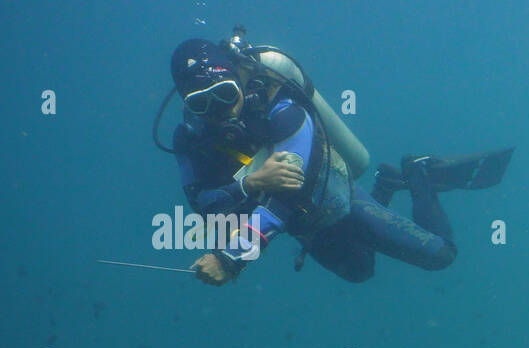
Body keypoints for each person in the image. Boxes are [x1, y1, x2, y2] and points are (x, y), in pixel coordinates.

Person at [163, 34, 511, 285]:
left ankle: (418, 173)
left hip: (333, 195)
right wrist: (251, 183)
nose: (219, 113)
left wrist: (231, 258)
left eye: (225, 95)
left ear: (239, 81)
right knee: (361, 272)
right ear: (187, 105)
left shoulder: (281, 106)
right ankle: (387, 184)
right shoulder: (190, 139)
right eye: (201, 104)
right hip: (304, 224)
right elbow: (203, 206)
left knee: (440, 257)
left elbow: (293, 192)